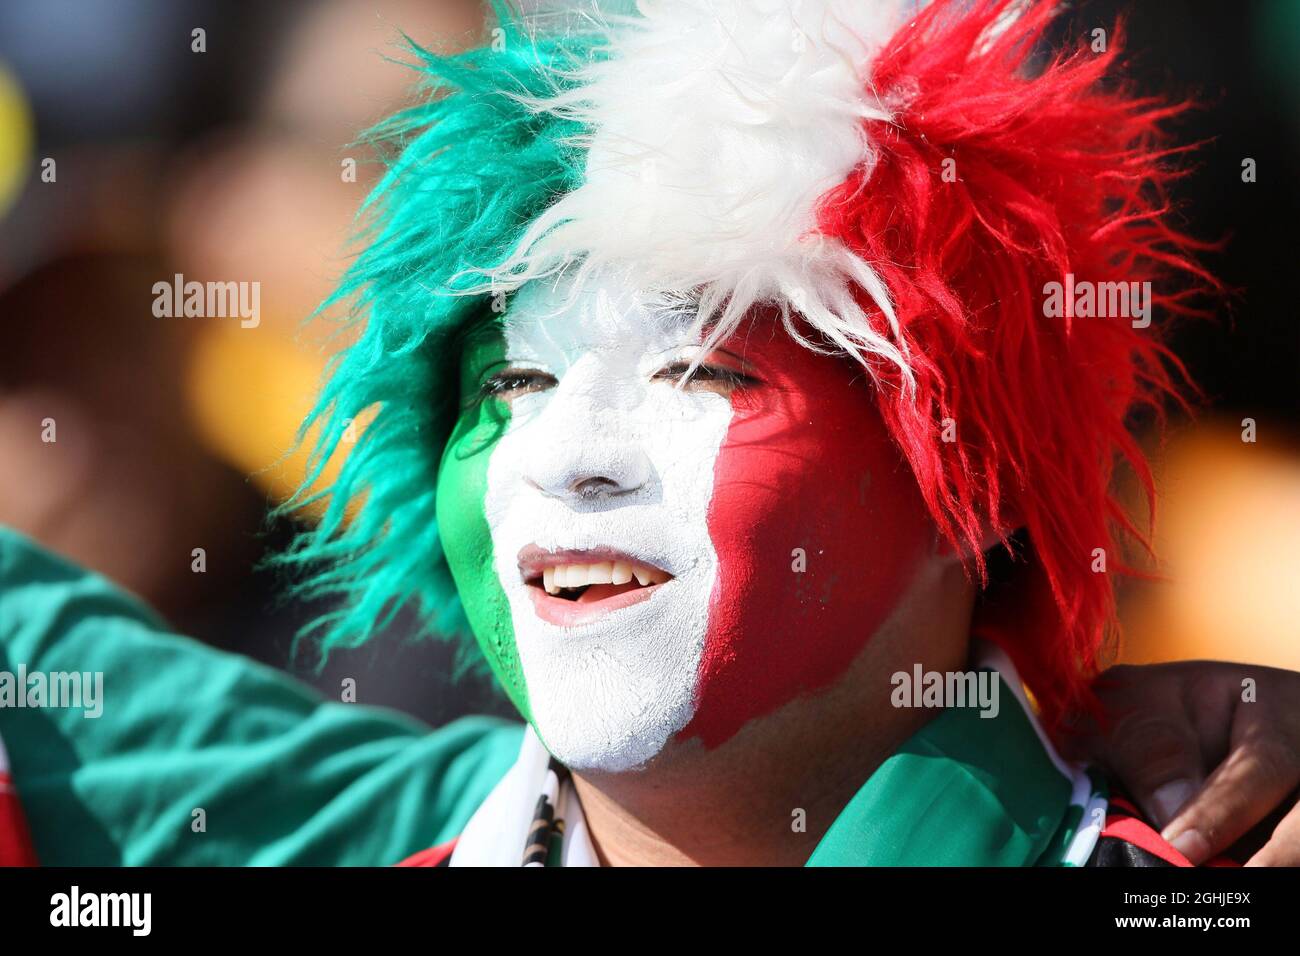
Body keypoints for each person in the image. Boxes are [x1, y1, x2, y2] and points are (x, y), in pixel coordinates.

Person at [1, 0, 1298, 867]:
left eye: (700, 371)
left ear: (971, 468)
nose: (573, 456)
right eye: (509, 390)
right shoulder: (360, 826)